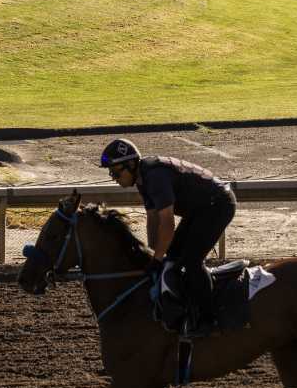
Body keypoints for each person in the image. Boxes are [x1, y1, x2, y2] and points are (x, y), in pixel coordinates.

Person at [99, 137, 236, 336]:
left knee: (191, 261)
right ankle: (188, 305)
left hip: (219, 205)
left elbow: (167, 224)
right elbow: (153, 220)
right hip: (201, 208)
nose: (113, 177)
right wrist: (154, 254)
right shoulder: (143, 178)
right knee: (171, 257)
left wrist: (156, 260)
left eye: (115, 171)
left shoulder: (154, 176)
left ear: (130, 163)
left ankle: (210, 319)